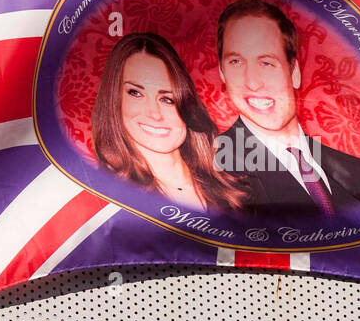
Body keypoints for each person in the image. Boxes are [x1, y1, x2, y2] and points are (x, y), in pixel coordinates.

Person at [213, 0, 360, 215]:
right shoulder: (211, 175)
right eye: (236, 62)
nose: (252, 82)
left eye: (267, 63)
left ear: (295, 73)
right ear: (222, 73)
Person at [92, 31, 246, 211]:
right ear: (113, 101)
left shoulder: (237, 181)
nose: (155, 114)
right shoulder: (106, 199)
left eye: (167, 99)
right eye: (136, 93)